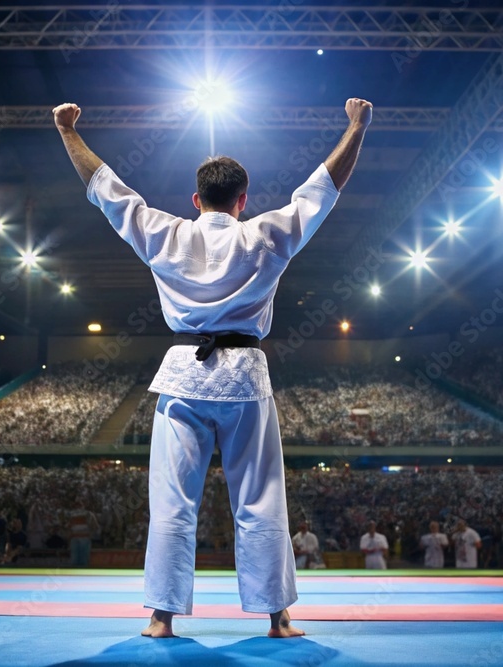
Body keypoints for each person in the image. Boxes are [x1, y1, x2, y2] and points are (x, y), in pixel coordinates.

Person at [54, 96, 372, 638]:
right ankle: (277, 616)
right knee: (261, 498)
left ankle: (161, 617)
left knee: (173, 500)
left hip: (183, 373)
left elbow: (106, 189)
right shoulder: (266, 235)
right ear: (242, 201)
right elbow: (323, 189)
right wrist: (357, 126)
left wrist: (67, 131)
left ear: (195, 199)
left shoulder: (165, 233)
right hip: (245, 374)